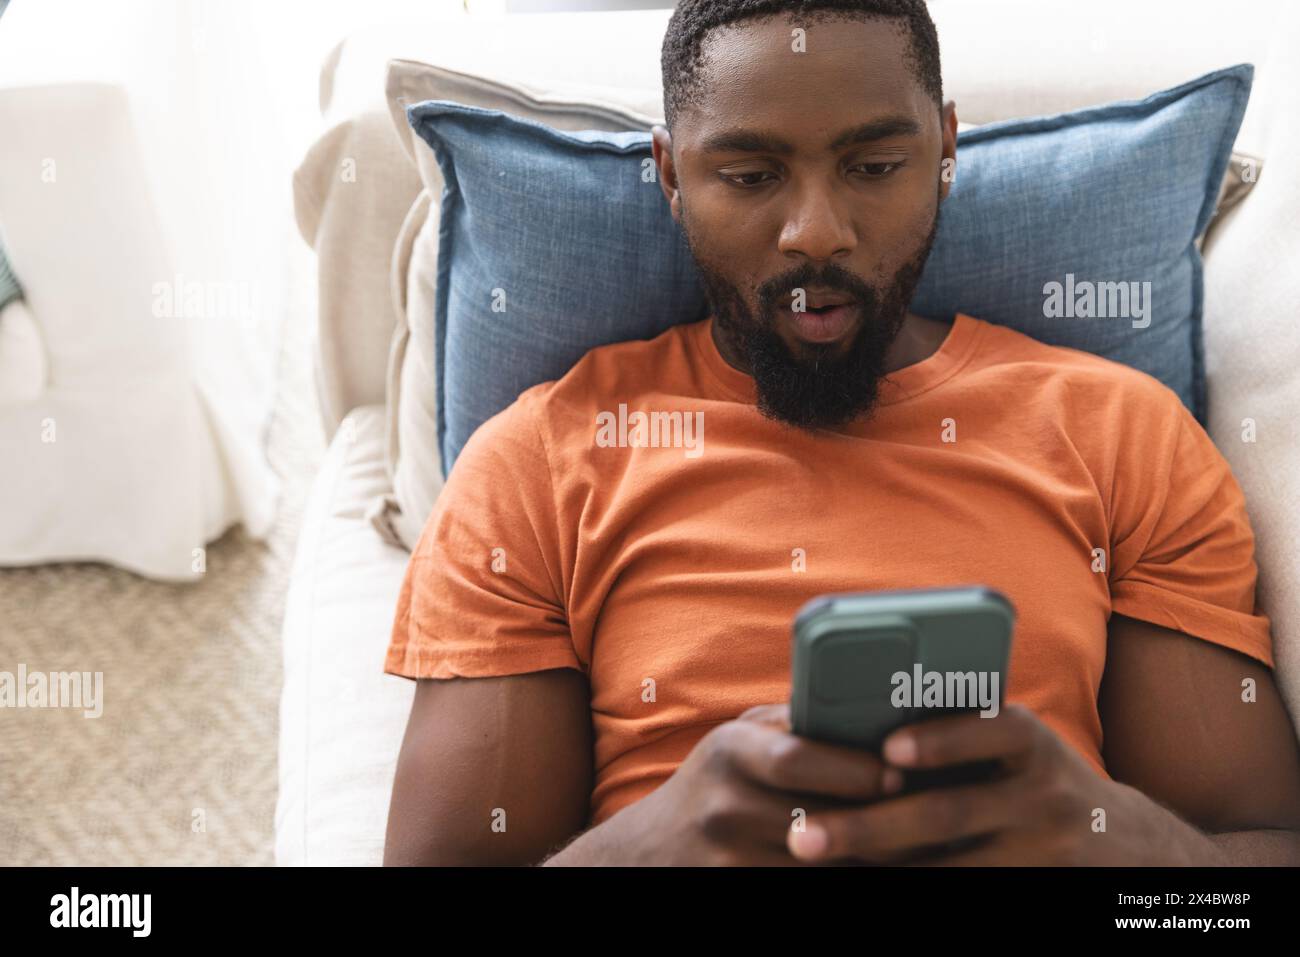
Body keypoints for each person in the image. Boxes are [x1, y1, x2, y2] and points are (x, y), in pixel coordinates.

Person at [382, 0, 1300, 865]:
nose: (815, 235)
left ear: (945, 149)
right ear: (670, 175)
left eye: (873, 167)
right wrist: (649, 845)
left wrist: (1107, 841)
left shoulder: (1122, 435)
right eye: (749, 175)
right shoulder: (540, 462)